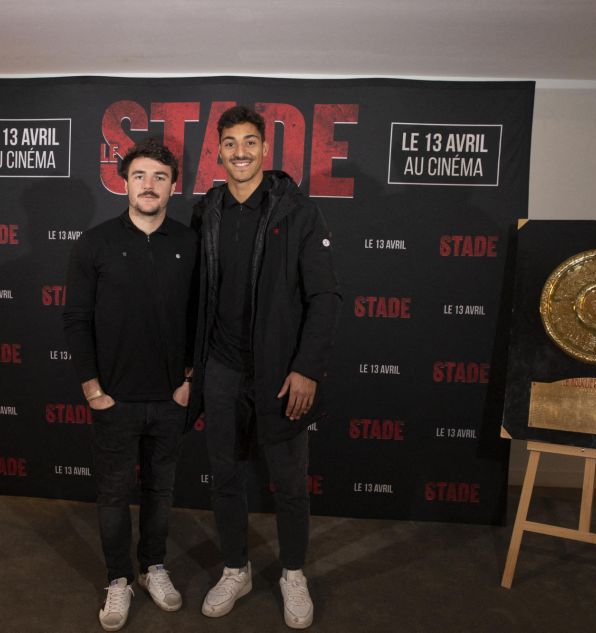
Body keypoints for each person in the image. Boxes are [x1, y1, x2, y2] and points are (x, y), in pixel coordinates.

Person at [189, 105, 341, 629]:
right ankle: (236, 569)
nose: (240, 152)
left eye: (249, 142)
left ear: (264, 148)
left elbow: (324, 296)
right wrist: (192, 368)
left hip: (281, 373)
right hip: (221, 368)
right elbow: (196, 296)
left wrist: (307, 369)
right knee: (225, 477)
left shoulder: (298, 211)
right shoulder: (206, 211)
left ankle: (293, 574)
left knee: (290, 483)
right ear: (218, 151)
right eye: (230, 143)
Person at [63, 138, 197, 631]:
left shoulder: (190, 243)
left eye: (160, 177)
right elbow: (76, 318)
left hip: (171, 399)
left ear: (173, 186)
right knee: (114, 495)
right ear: (124, 183)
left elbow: (201, 318)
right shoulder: (94, 243)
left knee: (160, 492)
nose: (149, 185)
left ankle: (153, 567)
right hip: (113, 400)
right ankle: (118, 578)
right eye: (140, 175)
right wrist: (92, 388)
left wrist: (189, 380)